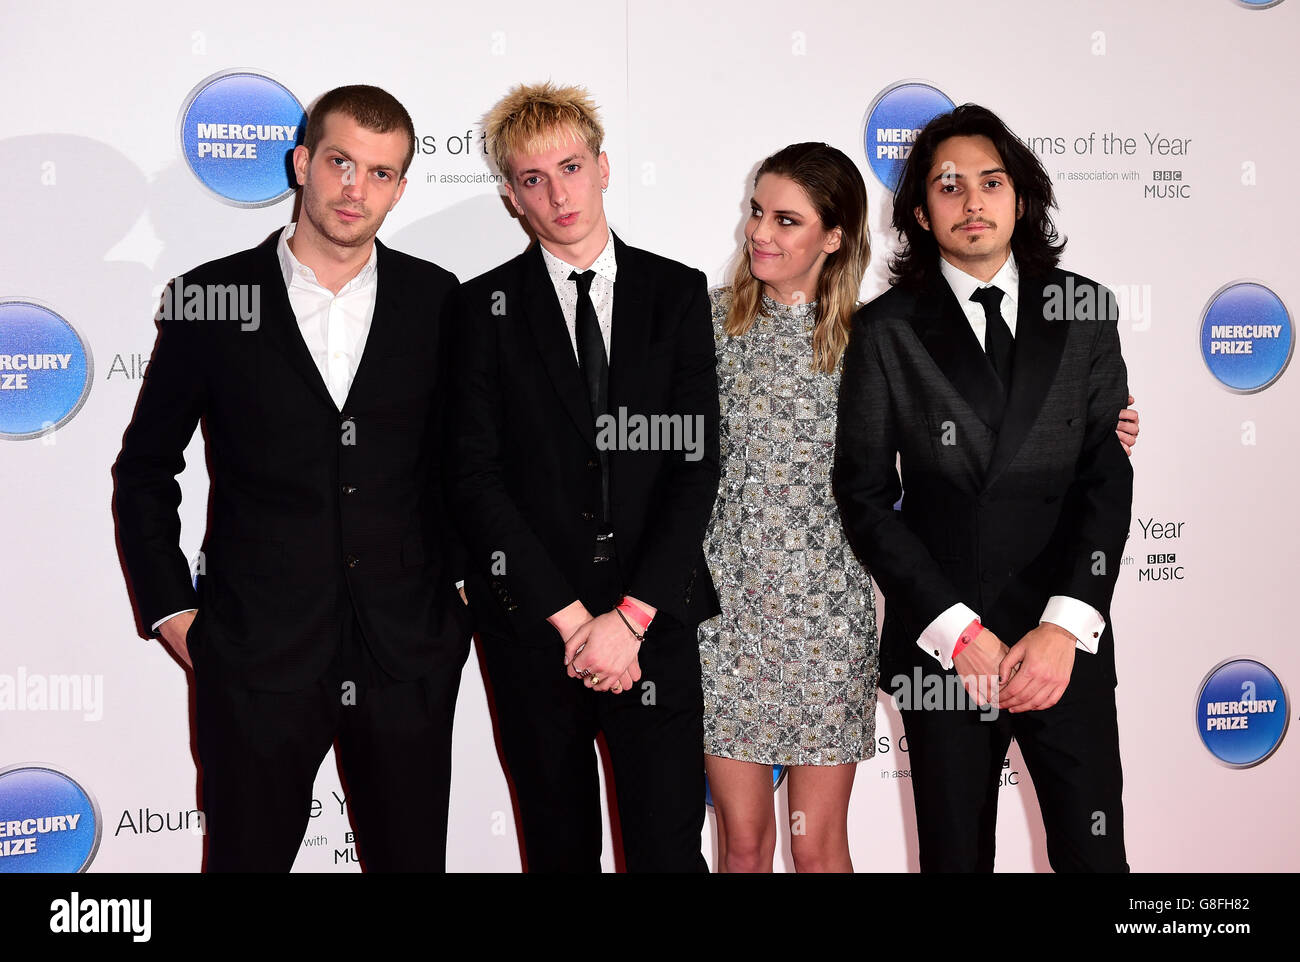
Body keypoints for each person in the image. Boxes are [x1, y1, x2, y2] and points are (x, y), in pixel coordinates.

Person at [113, 85, 471, 872]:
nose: (356, 189)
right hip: (256, 653)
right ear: (302, 163)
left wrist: (462, 593)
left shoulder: (439, 302)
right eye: (341, 163)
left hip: (406, 654)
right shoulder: (212, 298)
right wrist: (175, 610)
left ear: (402, 190)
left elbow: (467, 466)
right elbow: (144, 470)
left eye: (381, 173)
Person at [833, 103, 1134, 872]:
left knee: (1095, 857)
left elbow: (1105, 474)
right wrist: (956, 632)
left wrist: (1065, 627)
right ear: (922, 215)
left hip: (1062, 638)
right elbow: (865, 495)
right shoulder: (887, 329)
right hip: (947, 648)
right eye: (949, 186)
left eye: (991, 182)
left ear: (1021, 199)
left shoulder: (1085, 307)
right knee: (956, 858)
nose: (973, 202)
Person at [452, 82, 721, 873]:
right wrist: (574, 624)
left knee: (668, 851)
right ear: (509, 196)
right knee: (557, 850)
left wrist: (631, 619)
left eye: (571, 167)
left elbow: (694, 464)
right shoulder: (481, 309)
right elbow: (473, 478)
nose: (558, 193)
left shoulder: (676, 293)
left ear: (603, 167)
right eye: (533, 179)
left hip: (655, 622)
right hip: (534, 627)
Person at [699, 143, 876, 873]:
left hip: (829, 622)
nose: (760, 233)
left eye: (786, 219)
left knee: (817, 844)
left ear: (832, 238)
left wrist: (1093, 428)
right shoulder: (704, 325)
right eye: (756, 211)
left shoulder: (874, 341)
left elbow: (953, 446)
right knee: (742, 844)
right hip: (726, 617)